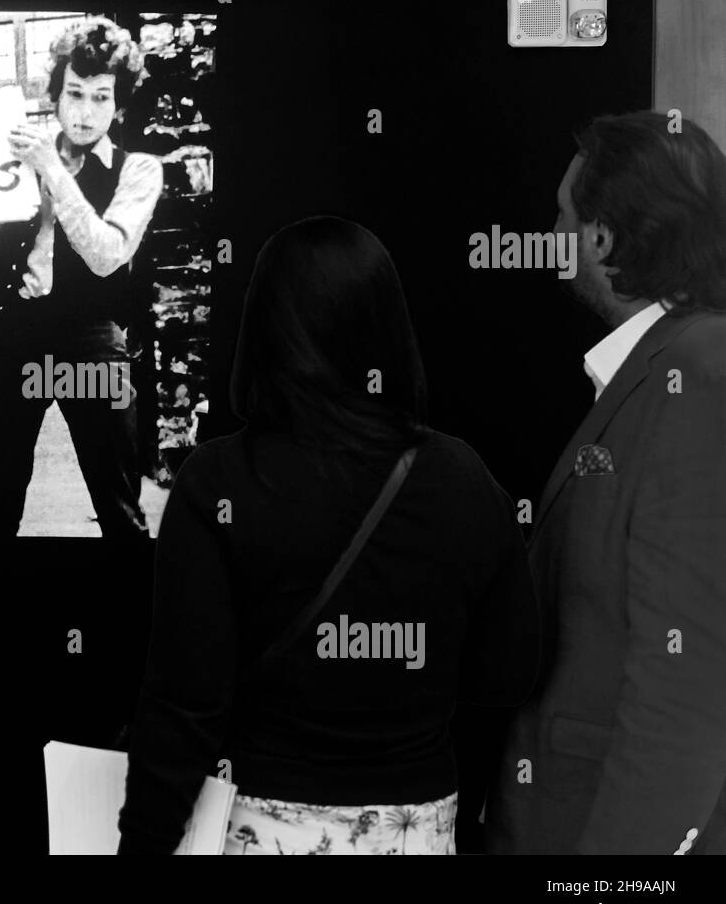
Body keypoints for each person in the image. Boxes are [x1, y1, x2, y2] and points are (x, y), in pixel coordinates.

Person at [116, 216, 541, 854]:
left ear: (262, 332)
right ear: (389, 331)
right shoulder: (461, 477)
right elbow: (507, 675)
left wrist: (141, 846)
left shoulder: (219, 481)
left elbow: (184, 708)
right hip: (413, 832)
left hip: (258, 827)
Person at [486, 112, 726, 855]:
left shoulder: (699, 375)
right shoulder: (666, 365)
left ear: (602, 239)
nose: (548, 228)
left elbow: (683, 688)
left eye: (562, 212)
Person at [0, 17, 164, 538]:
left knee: (118, 504)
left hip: (91, 342)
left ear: (119, 103)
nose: (85, 112)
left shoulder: (139, 170)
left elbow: (107, 254)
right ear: (56, 94)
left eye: (101, 98)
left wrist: (54, 172)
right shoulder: (16, 167)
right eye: (75, 93)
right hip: (18, 337)